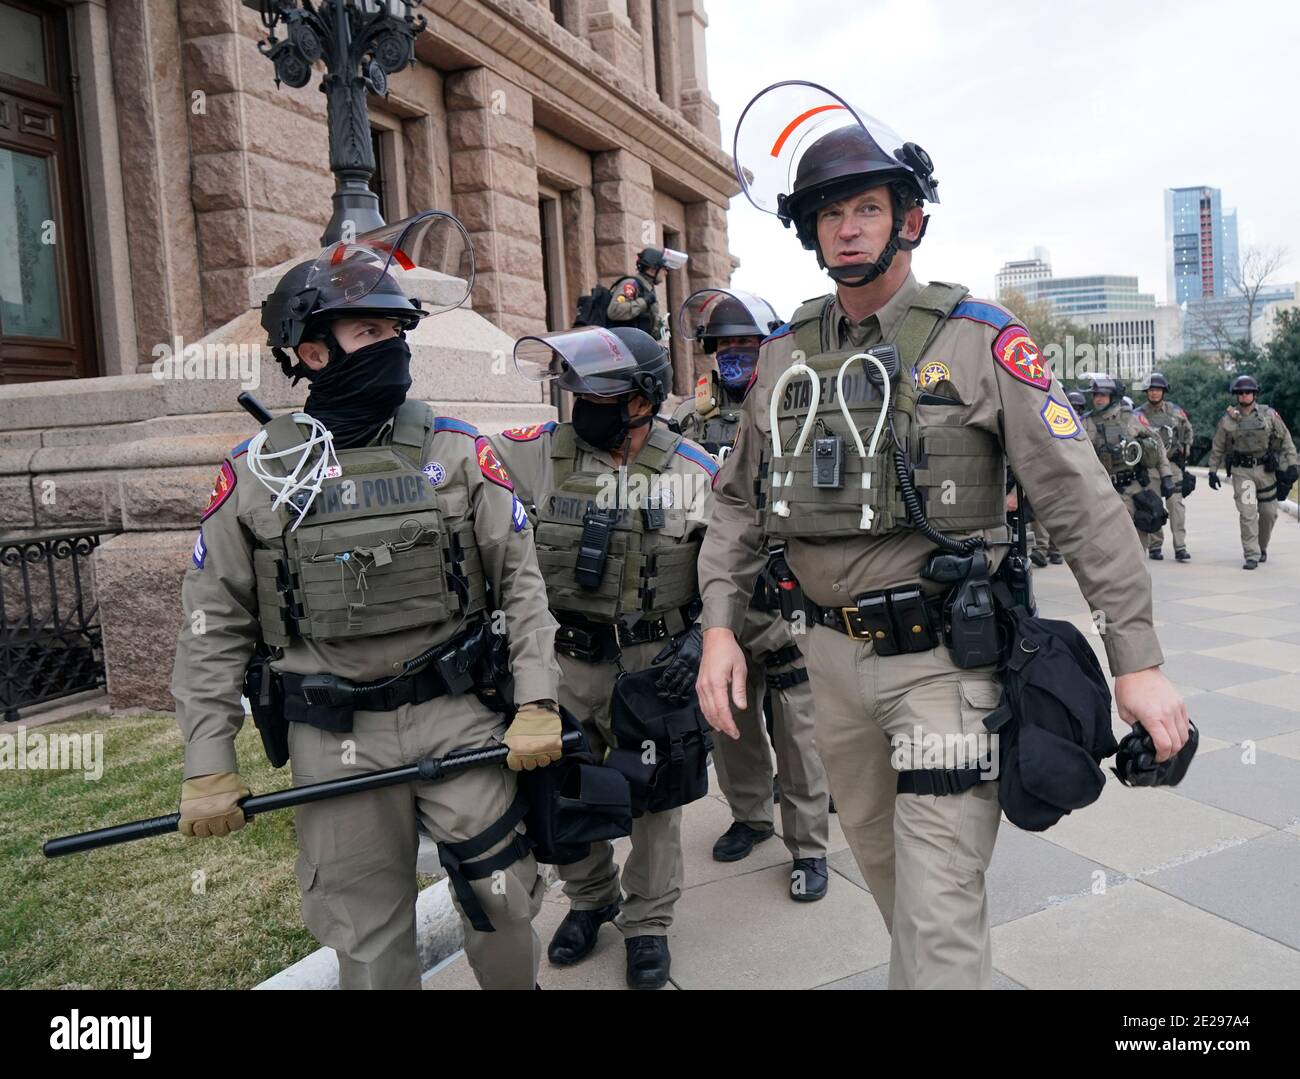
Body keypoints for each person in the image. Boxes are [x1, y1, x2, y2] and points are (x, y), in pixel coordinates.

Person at [694, 82, 1189, 989]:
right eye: (828, 213)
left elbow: (1080, 503)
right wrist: (721, 625)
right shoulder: (781, 356)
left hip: (941, 673)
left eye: (867, 208)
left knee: (939, 913)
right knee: (893, 894)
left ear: (908, 220)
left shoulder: (980, 341)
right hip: (825, 667)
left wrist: (1138, 657)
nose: (847, 228)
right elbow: (734, 502)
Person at [171, 212, 562, 990]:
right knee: (369, 931)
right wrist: (208, 759)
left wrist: (539, 698)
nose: (393, 346)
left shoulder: (455, 449)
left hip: (457, 716)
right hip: (332, 728)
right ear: (311, 350)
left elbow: (522, 583)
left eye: (397, 328)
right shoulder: (257, 474)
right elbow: (211, 623)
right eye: (368, 330)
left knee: (503, 900)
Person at [497, 325, 717, 989]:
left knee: (655, 801)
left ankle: (648, 923)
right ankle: (592, 898)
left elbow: (741, 567)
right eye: (577, 390)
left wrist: (705, 637)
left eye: (603, 392)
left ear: (644, 399)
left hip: (655, 662)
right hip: (562, 659)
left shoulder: (693, 471)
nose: (584, 402)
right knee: (562, 786)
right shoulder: (530, 456)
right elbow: (466, 494)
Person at [674, 288, 832, 899]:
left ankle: (810, 846)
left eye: (747, 347)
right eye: (724, 349)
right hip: (723, 600)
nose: (735, 359)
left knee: (799, 734)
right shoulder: (689, 422)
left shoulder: (802, 407)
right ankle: (750, 817)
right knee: (731, 723)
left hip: (790, 601)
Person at [1206, 374, 1299, 569]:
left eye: (1248, 392)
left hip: (1265, 470)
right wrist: (1213, 470)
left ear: (1255, 394)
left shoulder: (1269, 415)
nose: (1244, 395)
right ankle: (1251, 554)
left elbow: (1286, 439)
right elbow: (1218, 446)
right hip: (1242, 472)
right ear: (1236, 395)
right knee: (1247, 513)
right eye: (1240, 392)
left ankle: (1261, 547)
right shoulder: (1228, 420)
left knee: (1269, 512)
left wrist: (1292, 465)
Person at [1082, 376, 1176, 541]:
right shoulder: (1086, 422)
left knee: (1139, 538)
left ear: (1113, 396)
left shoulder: (1131, 419)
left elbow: (1157, 443)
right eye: (1095, 395)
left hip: (1134, 487)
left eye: (1103, 395)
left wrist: (1166, 475)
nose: (1098, 399)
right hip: (1101, 488)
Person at [1136, 372, 1194, 561]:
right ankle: (1155, 545)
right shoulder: (1138, 414)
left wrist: (1186, 451)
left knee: (1176, 505)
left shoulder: (1175, 411)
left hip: (1172, 465)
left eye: (1157, 390)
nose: (1154, 394)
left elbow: (1188, 431)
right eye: (1151, 390)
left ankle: (1180, 546)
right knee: (1153, 505)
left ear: (1164, 391)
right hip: (1150, 466)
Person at [604, 246, 688, 340]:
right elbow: (614, 311)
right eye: (664, 268)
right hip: (626, 346)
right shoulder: (632, 285)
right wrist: (643, 301)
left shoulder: (648, 288)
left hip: (639, 346)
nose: (666, 273)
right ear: (653, 269)